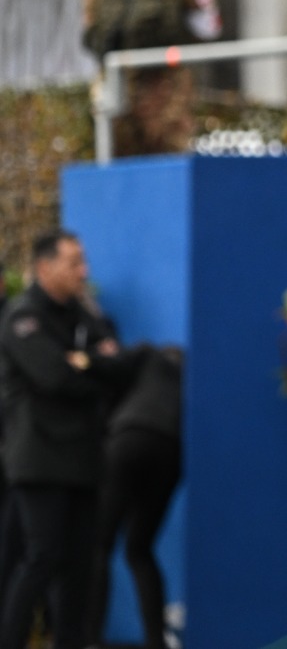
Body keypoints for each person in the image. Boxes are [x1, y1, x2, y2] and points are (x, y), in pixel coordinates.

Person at [0, 232, 126, 649]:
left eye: (82, 261)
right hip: (38, 458)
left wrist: (83, 362)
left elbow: (117, 366)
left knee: (80, 566)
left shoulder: (80, 313)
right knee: (41, 556)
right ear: (44, 267)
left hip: (83, 458)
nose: (83, 271)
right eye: (73, 263)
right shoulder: (22, 317)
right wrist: (91, 363)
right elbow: (52, 376)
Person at [80, 0, 221, 156]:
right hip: (117, 88)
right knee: (115, 162)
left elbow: (209, 27)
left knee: (168, 161)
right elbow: (90, 29)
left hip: (166, 95)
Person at [87, 345, 182, 649]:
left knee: (100, 544)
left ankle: (90, 640)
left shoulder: (145, 352)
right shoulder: (191, 376)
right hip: (171, 450)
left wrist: (87, 358)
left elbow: (109, 368)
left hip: (127, 441)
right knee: (140, 550)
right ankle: (156, 642)